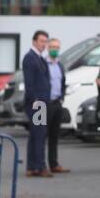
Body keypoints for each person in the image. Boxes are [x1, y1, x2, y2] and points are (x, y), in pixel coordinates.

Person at [22, 29, 54, 178]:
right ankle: (40, 167)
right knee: (39, 134)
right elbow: (29, 83)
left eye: (46, 41)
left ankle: (32, 166)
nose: (44, 44)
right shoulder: (30, 58)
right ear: (34, 41)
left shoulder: (40, 58)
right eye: (42, 41)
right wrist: (36, 102)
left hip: (42, 102)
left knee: (35, 134)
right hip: (37, 103)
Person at [44, 37, 70, 174]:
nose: (54, 49)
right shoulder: (43, 63)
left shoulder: (60, 65)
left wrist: (62, 98)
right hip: (42, 105)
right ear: (48, 48)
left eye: (57, 47)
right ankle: (39, 165)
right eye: (52, 47)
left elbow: (63, 83)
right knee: (40, 134)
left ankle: (54, 164)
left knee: (54, 136)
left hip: (56, 103)